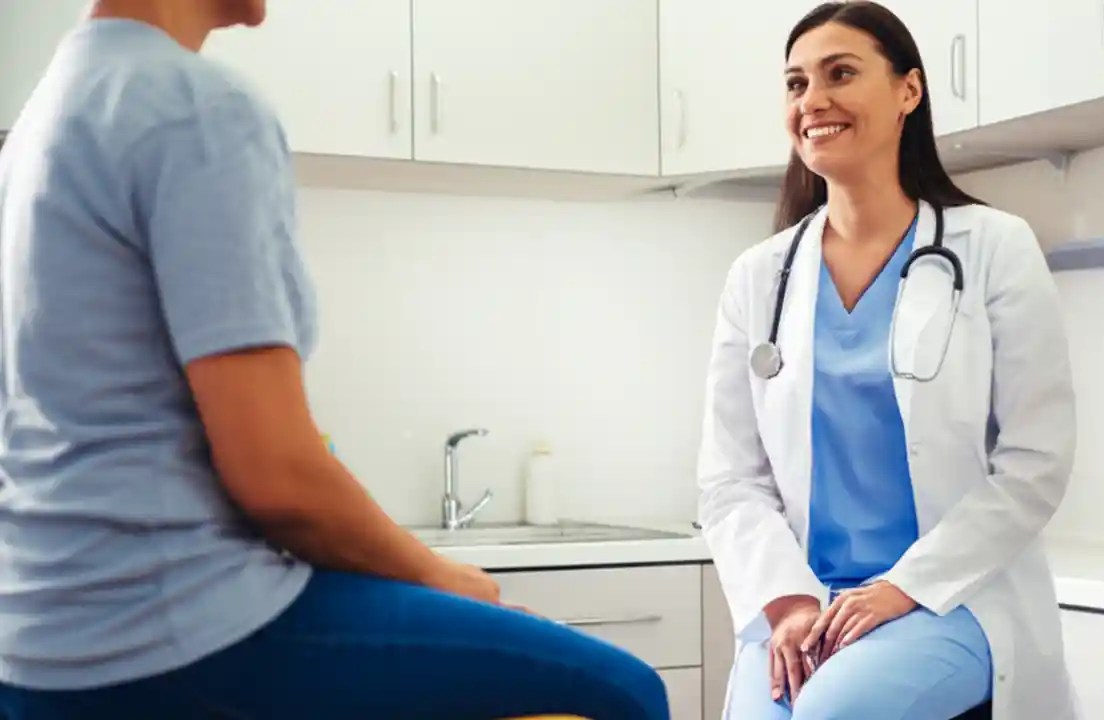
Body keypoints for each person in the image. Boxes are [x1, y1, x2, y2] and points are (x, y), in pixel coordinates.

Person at [0, 1, 668, 718]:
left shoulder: (45, 117)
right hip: (174, 632)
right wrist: (437, 574)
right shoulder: (195, 109)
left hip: (37, 650)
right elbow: (279, 480)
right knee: (623, 692)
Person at [695, 2, 1078, 719]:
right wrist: (786, 604)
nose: (813, 100)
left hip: (949, 594)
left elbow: (1036, 461)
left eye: (841, 73)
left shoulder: (994, 246)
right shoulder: (759, 276)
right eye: (796, 83)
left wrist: (904, 586)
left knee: (832, 713)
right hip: (804, 603)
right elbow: (729, 481)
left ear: (909, 90)